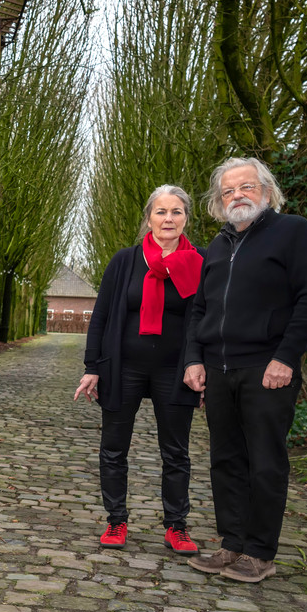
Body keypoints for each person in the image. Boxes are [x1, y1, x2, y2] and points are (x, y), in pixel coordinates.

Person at [183, 157, 307, 583]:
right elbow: (199, 310)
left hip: (268, 369)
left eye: (246, 187)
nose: (237, 196)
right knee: (226, 461)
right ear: (218, 201)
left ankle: (260, 553)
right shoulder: (217, 245)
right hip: (218, 370)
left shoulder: (293, 232)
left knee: (265, 461)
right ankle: (232, 545)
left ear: (266, 190)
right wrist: (194, 359)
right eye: (228, 191)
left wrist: (285, 357)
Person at [75, 185, 203, 555]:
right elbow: (100, 316)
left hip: (175, 370)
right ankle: (116, 520)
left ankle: (176, 527)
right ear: (149, 218)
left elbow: (207, 319)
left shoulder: (201, 262)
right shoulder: (125, 261)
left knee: (176, 453)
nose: (168, 219)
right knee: (113, 448)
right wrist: (92, 366)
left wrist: (203, 366)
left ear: (186, 219)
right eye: (161, 212)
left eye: (176, 212)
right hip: (123, 367)